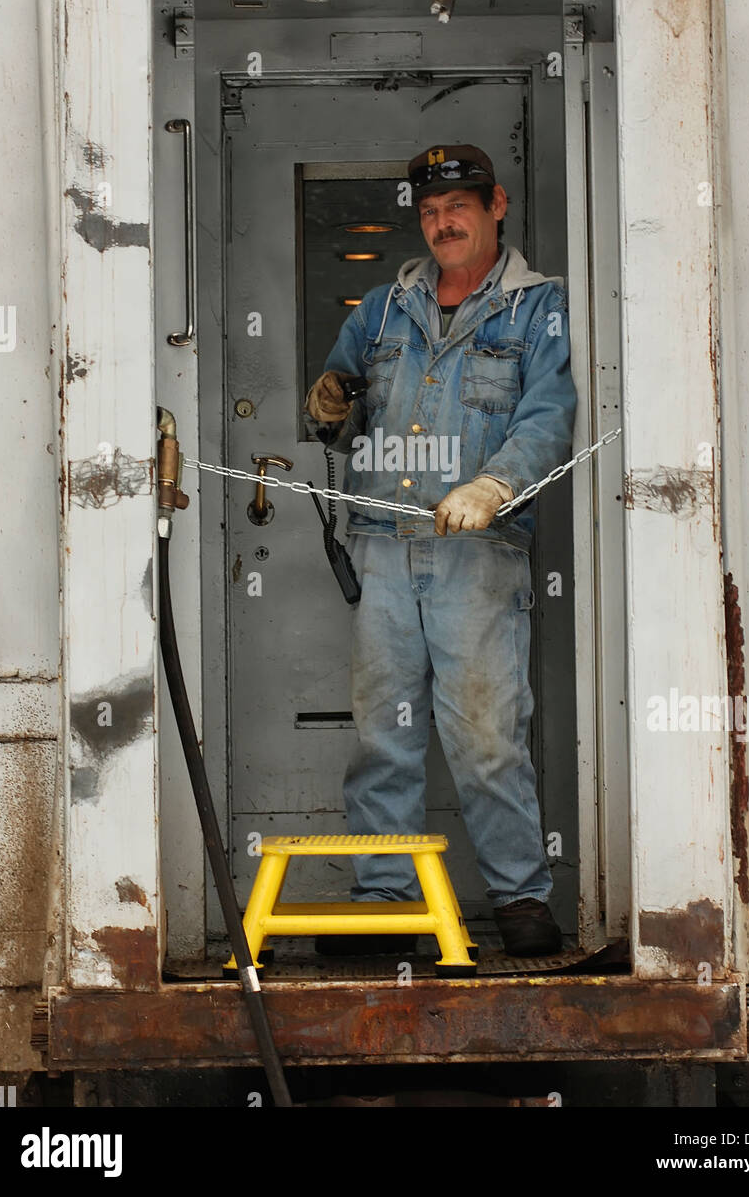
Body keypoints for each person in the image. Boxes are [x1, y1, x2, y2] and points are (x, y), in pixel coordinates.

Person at [304, 144, 577, 956]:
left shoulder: (540, 308)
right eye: (427, 211)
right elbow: (339, 411)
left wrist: (495, 487)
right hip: (386, 546)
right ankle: (387, 903)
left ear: (496, 205)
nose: (441, 222)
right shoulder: (382, 311)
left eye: (457, 206)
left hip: (478, 553)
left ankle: (522, 901)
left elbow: (548, 414)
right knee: (384, 736)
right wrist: (329, 408)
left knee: (488, 734)